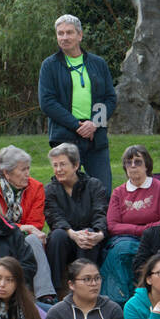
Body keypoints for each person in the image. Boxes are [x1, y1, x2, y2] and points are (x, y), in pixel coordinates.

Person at [38, 14, 117, 190]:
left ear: (79, 35)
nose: (64, 38)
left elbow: (110, 98)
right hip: (65, 138)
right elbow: (47, 102)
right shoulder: (49, 66)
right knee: (68, 191)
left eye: (69, 33)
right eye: (60, 33)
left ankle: (99, 219)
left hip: (95, 138)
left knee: (102, 191)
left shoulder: (98, 64)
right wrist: (77, 125)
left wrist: (94, 123)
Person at [0, 145, 55, 301]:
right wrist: (23, 227)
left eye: (28, 168)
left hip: (23, 238)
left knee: (34, 239)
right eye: (23, 170)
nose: (28, 173)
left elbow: (36, 224)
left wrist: (22, 229)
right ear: (7, 173)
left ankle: (45, 296)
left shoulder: (36, 187)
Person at [102, 145, 160, 303]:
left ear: (147, 165)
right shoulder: (119, 192)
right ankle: (119, 298)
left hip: (155, 238)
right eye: (128, 162)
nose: (132, 166)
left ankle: (141, 298)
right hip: (123, 239)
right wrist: (142, 229)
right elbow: (112, 225)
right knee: (121, 251)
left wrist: (144, 232)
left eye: (138, 162)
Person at [43, 143, 108, 293]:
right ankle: (55, 291)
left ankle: (84, 288)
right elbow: (54, 217)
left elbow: (101, 212)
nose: (58, 169)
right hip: (65, 236)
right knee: (57, 235)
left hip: (89, 236)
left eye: (63, 164)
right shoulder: (50, 190)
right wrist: (71, 233)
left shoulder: (94, 185)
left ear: (76, 165)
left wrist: (99, 234)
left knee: (87, 235)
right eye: (55, 165)